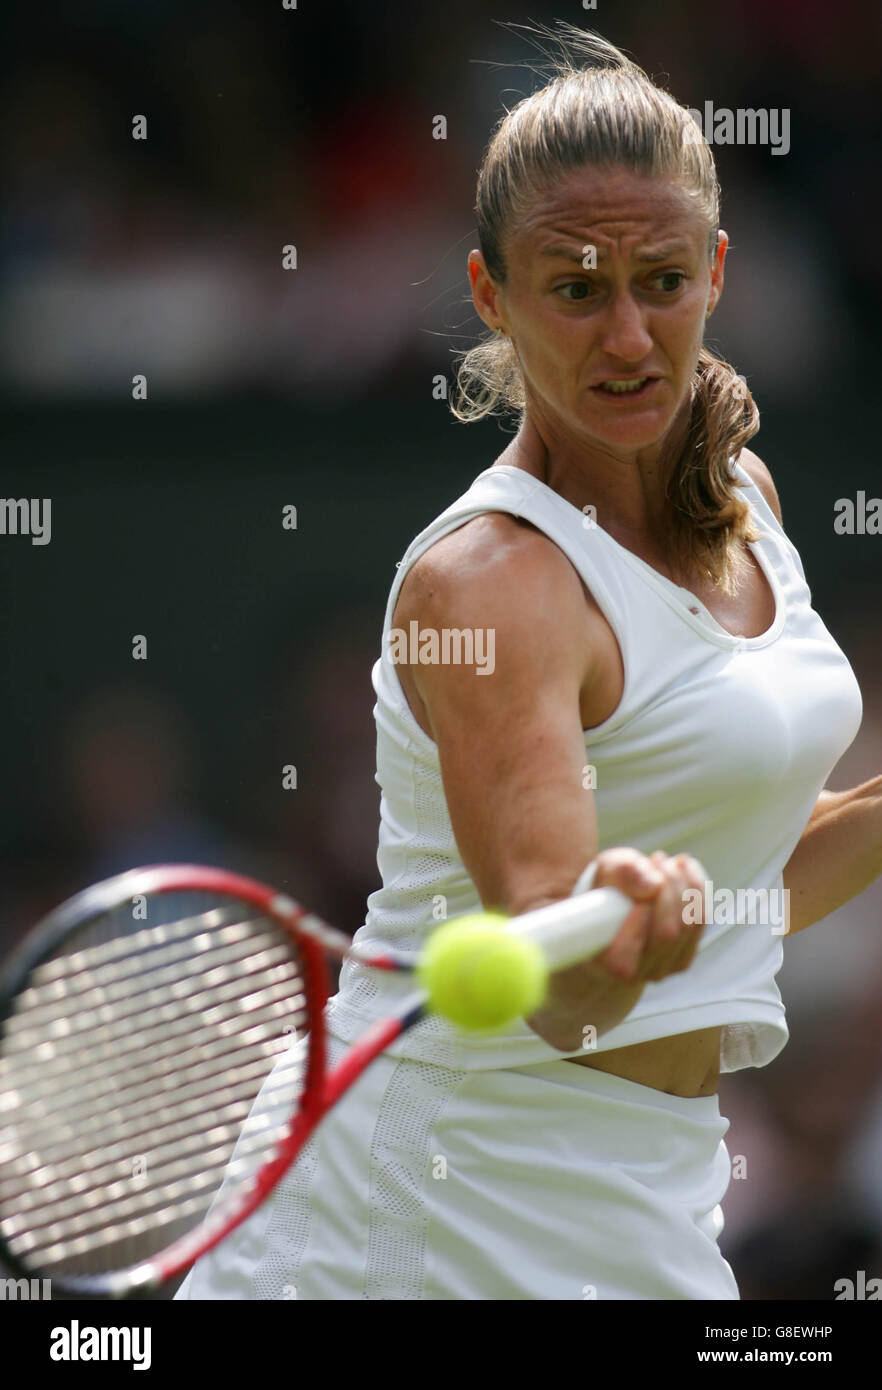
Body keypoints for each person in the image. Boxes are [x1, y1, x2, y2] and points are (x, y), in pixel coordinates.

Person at [176, 24, 876, 1301]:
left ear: (717, 271)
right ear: (492, 295)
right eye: (576, 287)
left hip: (646, 1192)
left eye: (663, 280)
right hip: (422, 1213)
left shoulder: (750, 498)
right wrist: (616, 919)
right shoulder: (489, 587)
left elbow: (760, 874)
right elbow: (564, 996)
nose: (627, 335)